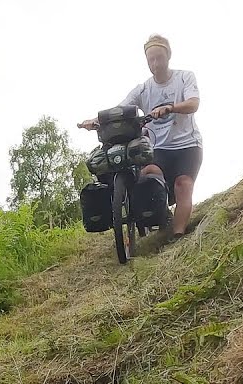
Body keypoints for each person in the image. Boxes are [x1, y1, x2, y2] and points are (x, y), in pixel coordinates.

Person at [79, 34, 202, 241]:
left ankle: (177, 237)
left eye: (159, 58)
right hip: (159, 148)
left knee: (183, 185)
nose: (155, 64)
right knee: (148, 174)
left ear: (168, 56)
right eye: (151, 60)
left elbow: (193, 104)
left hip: (187, 145)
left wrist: (170, 108)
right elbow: (121, 109)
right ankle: (158, 213)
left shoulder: (184, 78)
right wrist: (95, 121)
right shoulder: (144, 89)